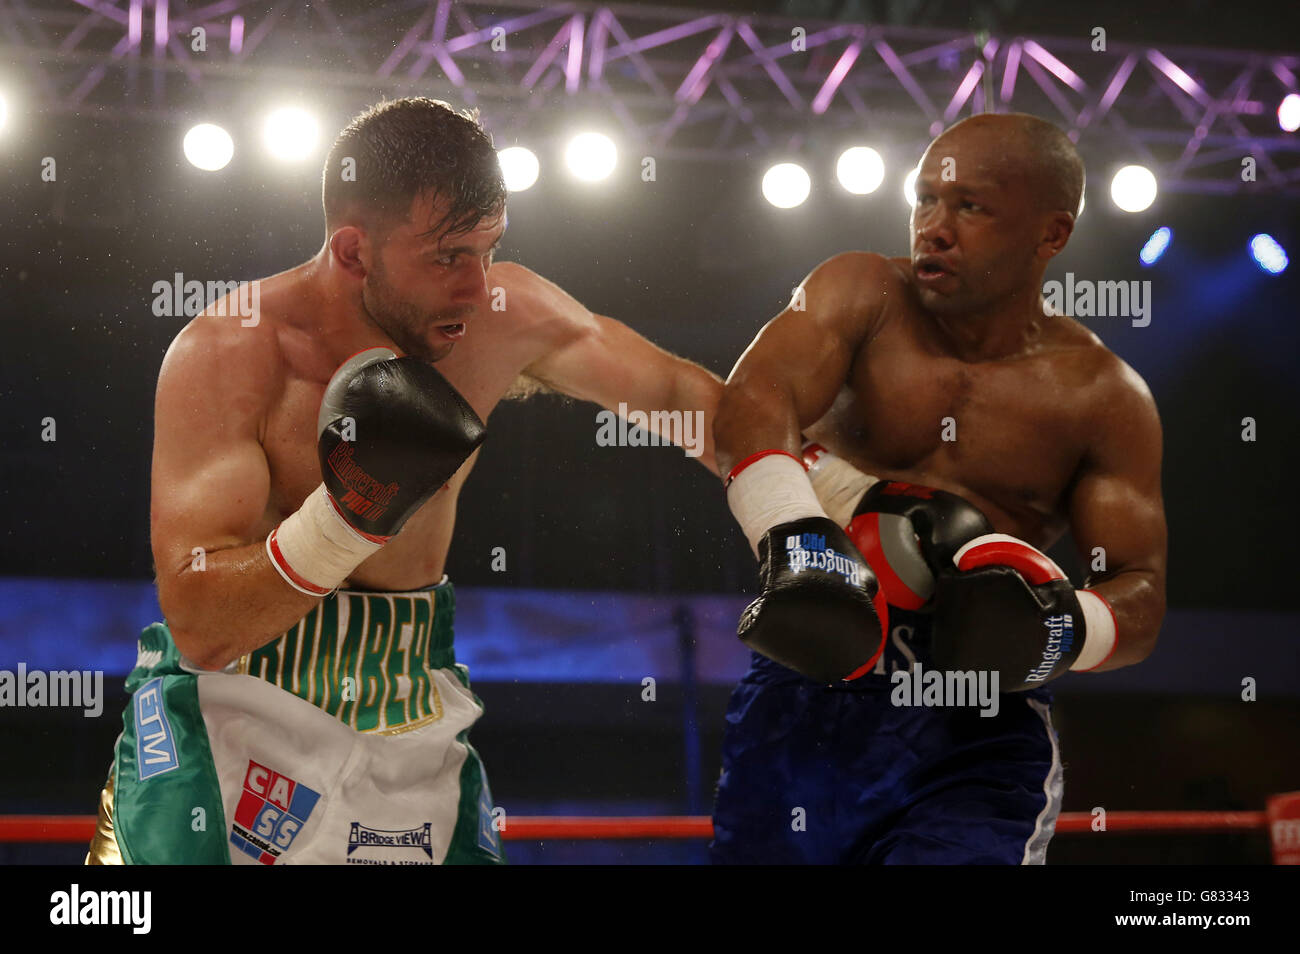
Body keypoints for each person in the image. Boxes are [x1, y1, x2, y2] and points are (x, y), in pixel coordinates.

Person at [86, 97, 721, 865]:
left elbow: (686, 402)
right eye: (448, 256)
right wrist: (349, 516)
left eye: (489, 248)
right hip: (232, 716)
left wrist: (800, 502)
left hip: (411, 711)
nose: (475, 284)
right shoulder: (229, 352)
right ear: (353, 250)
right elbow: (200, 623)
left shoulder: (501, 313)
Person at [710, 112, 1167, 864]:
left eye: (971, 207)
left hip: (974, 730)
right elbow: (755, 398)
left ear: (1051, 236)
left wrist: (1060, 629)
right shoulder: (861, 292)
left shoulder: (1101, 396)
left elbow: (1139, 592)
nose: (935, 227)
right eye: (925, 200)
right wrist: (798, 535)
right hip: (806, 694)